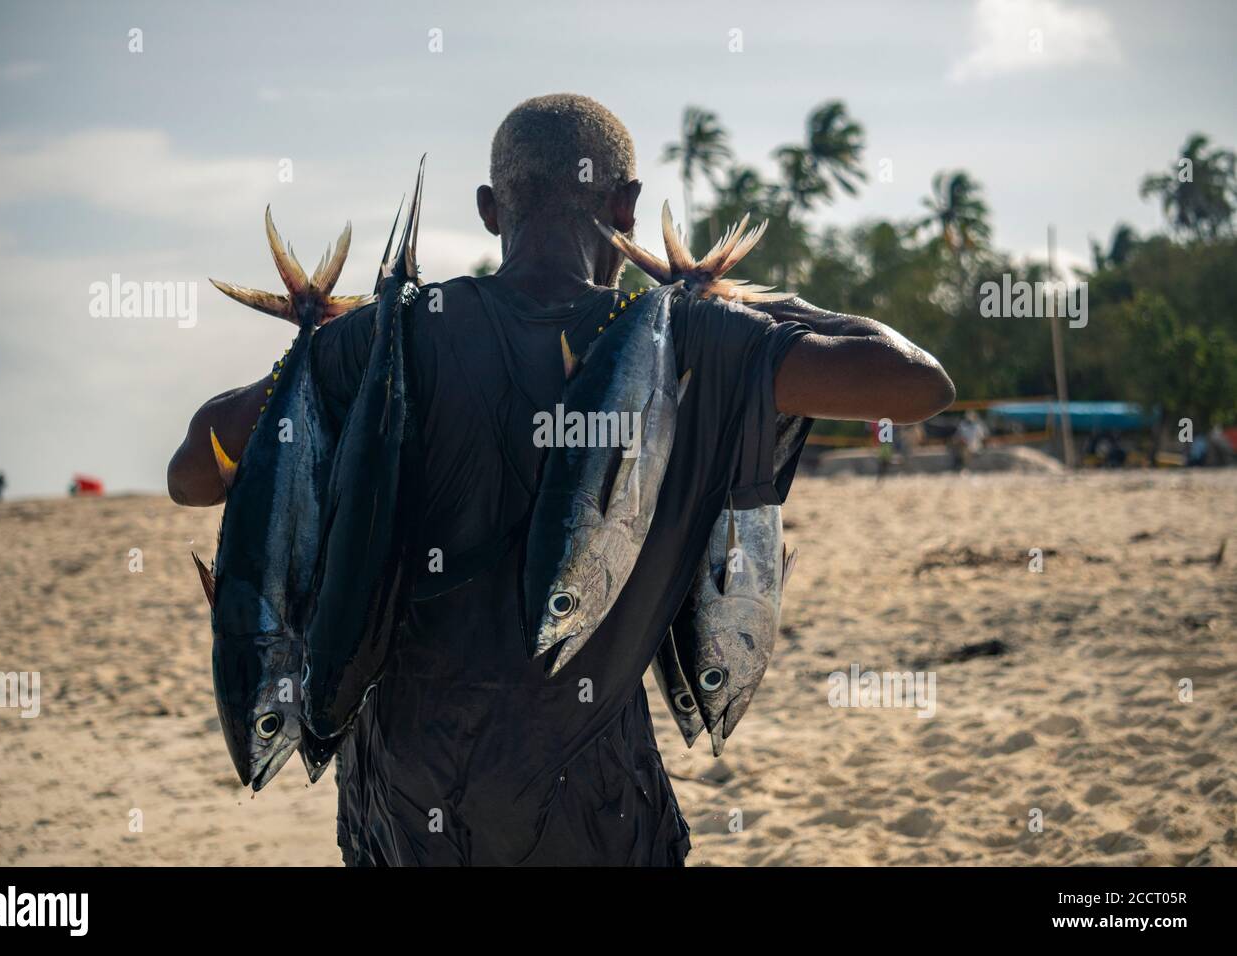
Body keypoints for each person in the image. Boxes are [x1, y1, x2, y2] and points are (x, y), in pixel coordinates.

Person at [167, 94, 954, 866]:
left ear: (488, 209)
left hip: (402, 811)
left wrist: (312, 360)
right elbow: (917, 386)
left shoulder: (389, 336)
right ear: (628, 205)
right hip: (594, 806)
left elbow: (192, 474)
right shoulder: (697, 340)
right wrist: (756, 308)